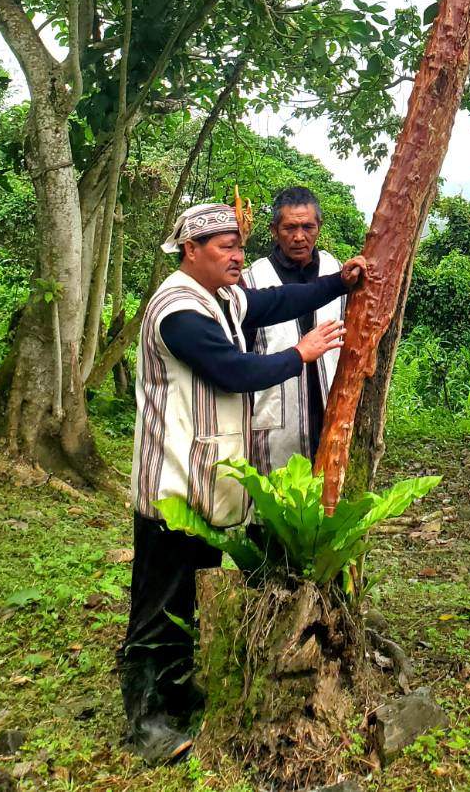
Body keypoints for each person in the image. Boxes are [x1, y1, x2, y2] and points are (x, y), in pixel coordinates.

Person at [122, 197, 366, 765]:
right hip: (172, 479)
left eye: (238, 244)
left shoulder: (223, 296)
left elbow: (279, 299)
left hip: (208, 478)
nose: (238, 255)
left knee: (195, 593)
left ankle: (179, 695)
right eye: (226, 247)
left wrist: (340, 281)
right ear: (192, 250)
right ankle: (144, 720)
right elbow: (234, 371)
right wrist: (302, 354)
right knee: (159, 601)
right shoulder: (178, 309)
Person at [240, 186, 344, 472]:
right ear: (274, 230)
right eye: (290, 228)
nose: (299, 236)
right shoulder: (252, 280)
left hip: (330, 411)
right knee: (273, 506)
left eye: (308, 227)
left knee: (328, 503)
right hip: (274, 419)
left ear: (319, 227)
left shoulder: (337, 273)